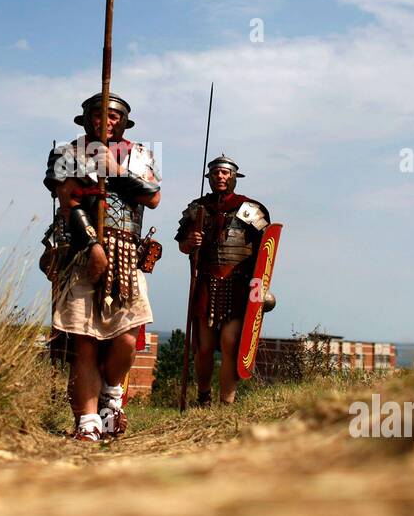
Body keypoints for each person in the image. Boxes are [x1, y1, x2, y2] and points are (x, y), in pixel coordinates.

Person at [42, 93, 160, 441]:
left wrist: (115, 170)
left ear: (123, 121)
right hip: (80, 250)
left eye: (112, 116)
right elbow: (68, 200)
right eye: (98, 115)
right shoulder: (67, 153)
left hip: (126, 251)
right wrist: (93, 245)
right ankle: (88, 422)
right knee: (85, 341)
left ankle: (111, 395)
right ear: (86, 119)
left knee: (125, 336)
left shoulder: (140, 154)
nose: (104, 121)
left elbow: (151, 197)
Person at [176, 155, 271, 405]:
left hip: (238, 284)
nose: (220, 176)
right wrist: (190, 243)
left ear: (234, 178)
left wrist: (261, 287)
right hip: (207, 282)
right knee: (204, 347)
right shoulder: (197, 208)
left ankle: (227, 402)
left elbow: (266, 250)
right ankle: (204, 397)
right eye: (216, 172)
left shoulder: (250, 209)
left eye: (225, 173)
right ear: (209, 177)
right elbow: (183, 246)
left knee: (231, 342)